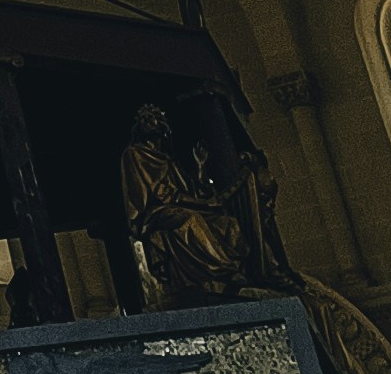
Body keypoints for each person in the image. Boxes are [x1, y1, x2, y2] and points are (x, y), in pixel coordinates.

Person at [121, 99, 287, 306]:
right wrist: (205, 204)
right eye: (145, 120)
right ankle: (222, 268)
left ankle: (234, 274)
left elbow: (191, 190)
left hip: (177, 206)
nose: (150, 122)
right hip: (157, 213)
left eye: (154, 118)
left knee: (227, 223)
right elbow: (161, 193)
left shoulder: (166, 158)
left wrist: (200, 168)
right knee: (191, 221)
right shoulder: (135, 155)